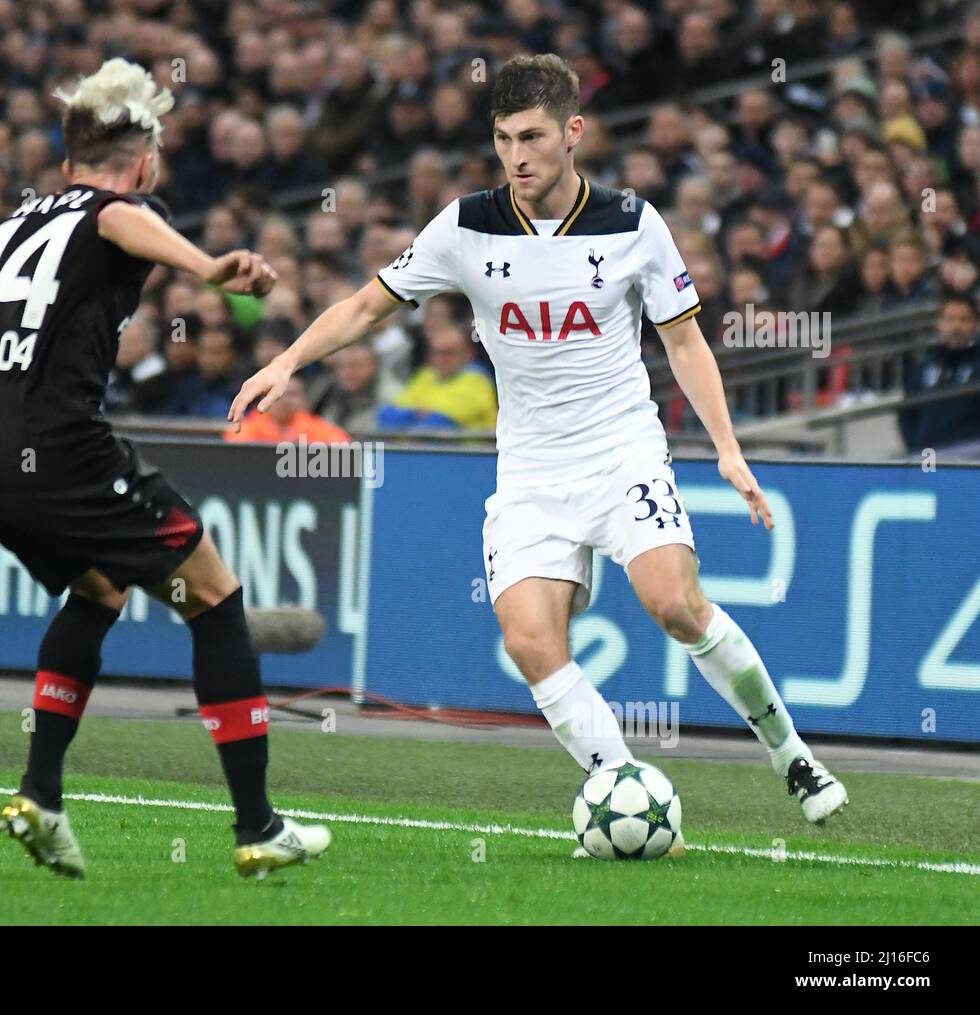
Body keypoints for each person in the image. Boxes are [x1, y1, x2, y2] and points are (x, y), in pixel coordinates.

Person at [231, 54, 848, 844]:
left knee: (675, 603)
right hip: (528, 470)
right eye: (501, 139)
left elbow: (685, 341)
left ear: (573, 132)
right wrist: (286, 361)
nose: (516, 157)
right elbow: (365, 305)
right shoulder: (465, 226)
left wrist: (726, 448)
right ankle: (623, 784)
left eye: (531, 137)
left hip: (622, 451)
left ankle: (792, 755)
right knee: (528, 639)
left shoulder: (633, 222)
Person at [0, 59, 329, 880]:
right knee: (214, 598)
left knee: (100, 586)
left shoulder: (2, 233)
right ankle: (259, 826)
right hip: (60, 453)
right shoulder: (116, 211)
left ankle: (40, 793)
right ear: (141, 157)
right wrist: (210, 266)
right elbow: (119, 222)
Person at [898, 294, 980, 452]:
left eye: (964, 320)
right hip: (927, 456)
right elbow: (907, 412)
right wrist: (916, 445)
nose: (956, 327)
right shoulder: (924, 366)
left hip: (971, 457)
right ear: (940, 324)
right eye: (950, 319)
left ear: (975, 324)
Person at [226, 374, 350, 444]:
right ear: (263, 398)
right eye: (277, 395)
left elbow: (343, 447)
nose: (285, 400)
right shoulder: (246, 429)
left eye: (292, 395)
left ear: (303, 399)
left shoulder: (319, 428)